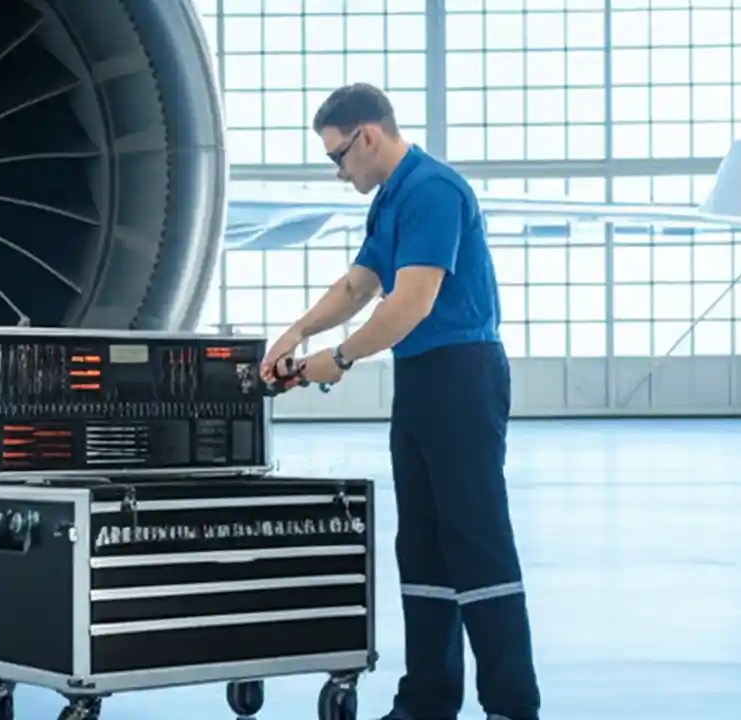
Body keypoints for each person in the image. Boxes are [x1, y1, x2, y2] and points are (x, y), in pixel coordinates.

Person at [259, 83, 541, 720]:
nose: (339, 173)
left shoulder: (434, 190)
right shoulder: (389, 201)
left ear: (367, 136)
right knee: (421, 541)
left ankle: (512, 705)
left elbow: (411, 300)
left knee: (475, 537)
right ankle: (428, 702)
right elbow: (359, 283)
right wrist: (299, 334)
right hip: (420, 379)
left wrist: (341, 358)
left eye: (338, 157)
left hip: (463, 374)